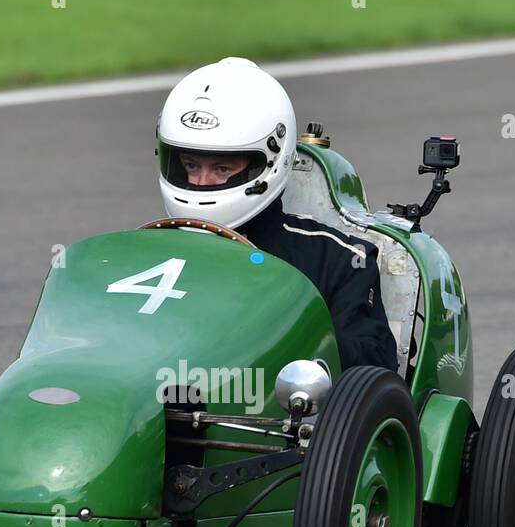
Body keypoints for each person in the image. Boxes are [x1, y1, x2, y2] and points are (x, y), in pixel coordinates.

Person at [155, 57, 399, 371]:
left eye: (222, 168)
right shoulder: (152, 253)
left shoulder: (337, 261)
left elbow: (368, 377)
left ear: (270, 161)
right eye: (190, 166)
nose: (202, 182)